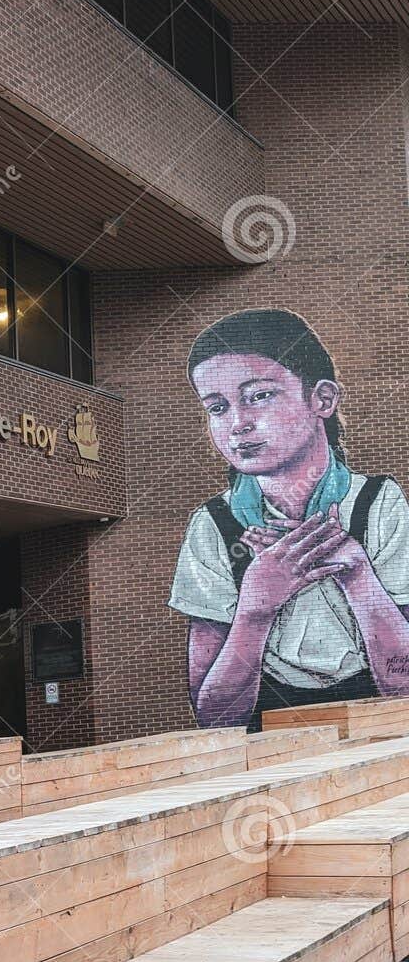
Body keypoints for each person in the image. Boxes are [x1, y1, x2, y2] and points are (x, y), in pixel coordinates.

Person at [169, 308, 409, 728]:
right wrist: (257, 606)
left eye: (259, 395)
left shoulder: (377, 503)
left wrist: (357, 575)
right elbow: (215, 717)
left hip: (385, 734)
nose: (238, 424)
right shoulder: (213, 525)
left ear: (322, 399)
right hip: (271, 745)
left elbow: (403, 689)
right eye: (218, 407)